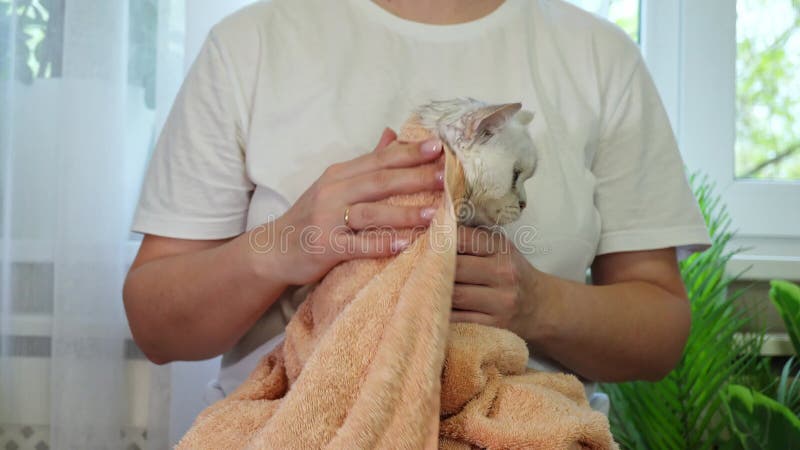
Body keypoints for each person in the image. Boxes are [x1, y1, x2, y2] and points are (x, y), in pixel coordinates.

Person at [123, 0, 711, 409]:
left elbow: (660, 333)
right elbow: (156, 327)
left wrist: (538, 305)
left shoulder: (600, 58)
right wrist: (283, 247)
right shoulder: (248, 45)